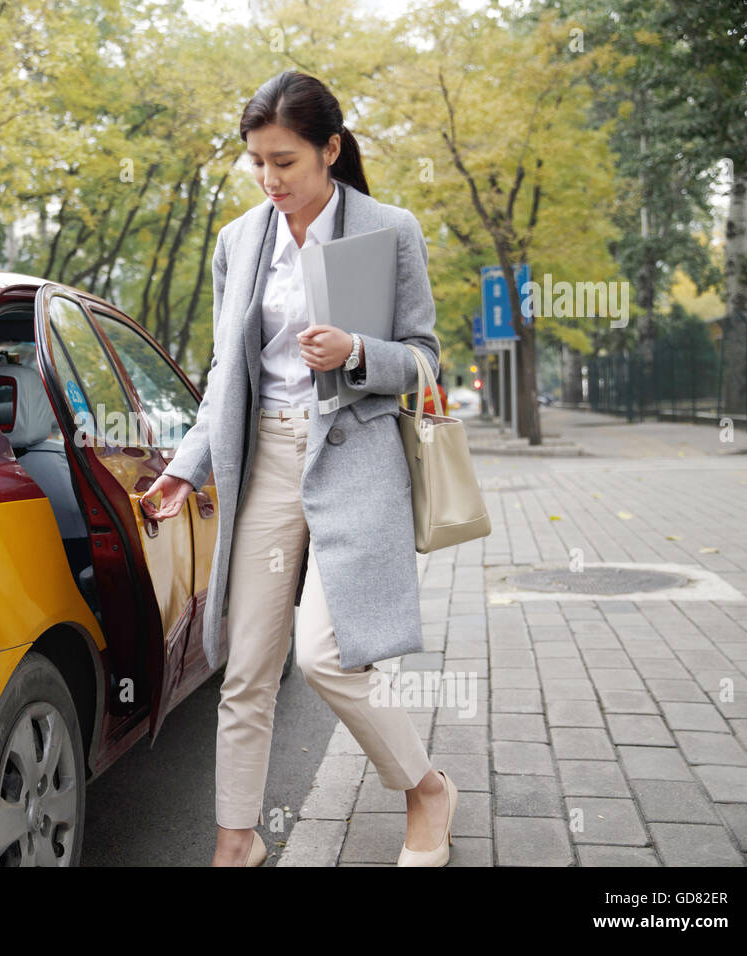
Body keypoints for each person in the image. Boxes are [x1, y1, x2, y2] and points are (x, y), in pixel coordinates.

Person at [142, 70, 457, 868]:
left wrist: (355, 352)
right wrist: (187, 466)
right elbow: (226, 373)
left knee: (325, 656)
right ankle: (236, 842)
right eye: (256, 162)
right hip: (265, 463)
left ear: (330, 150)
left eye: (284, 161)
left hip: (352, 458)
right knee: (245, 667)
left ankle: (425, 789)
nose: (269, 179)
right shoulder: (239, 241)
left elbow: (424, 361)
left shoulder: (389, 230)